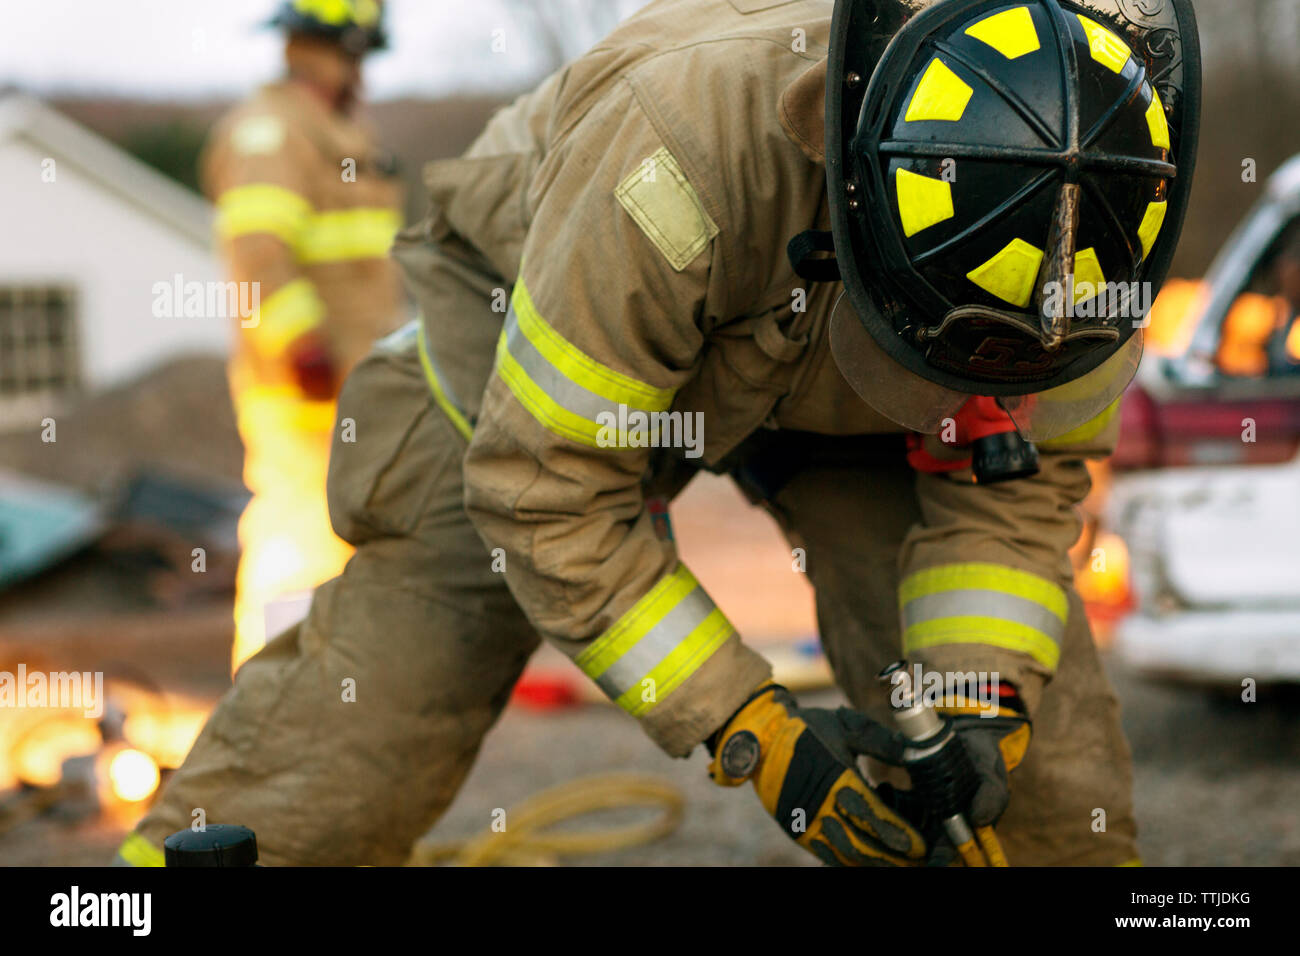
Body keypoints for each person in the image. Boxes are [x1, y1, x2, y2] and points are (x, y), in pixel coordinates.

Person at [116, 0, 1199, 867]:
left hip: (852, 372)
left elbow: (1015, 483)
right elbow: (546, 487)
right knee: (401, 677)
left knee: (1039, 786)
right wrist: (754, 728)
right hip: (546, 308)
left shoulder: (1091, 230)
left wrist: (978, 698)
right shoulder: (675, 156)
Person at [207, 0, 405, 673]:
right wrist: (302, 348)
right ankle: (271, 701)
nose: (362, 75)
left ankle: (329, 701)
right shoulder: (270, 133)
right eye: (357, 58)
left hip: (361, 385)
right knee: (298, 540)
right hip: (304, 397)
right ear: (331, 50)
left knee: (345, 546)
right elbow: (257, 253)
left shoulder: (340, 134)